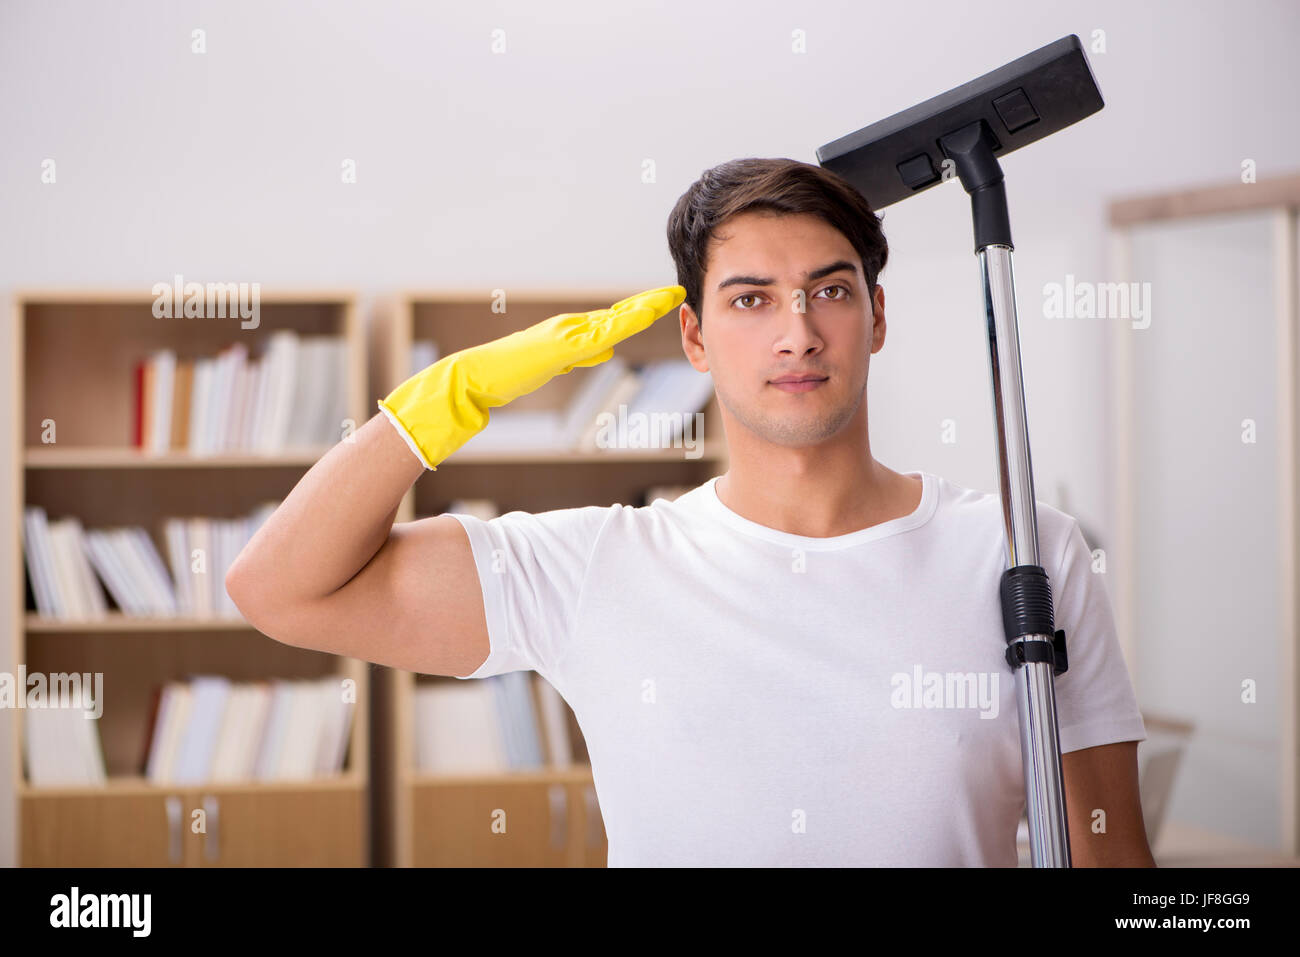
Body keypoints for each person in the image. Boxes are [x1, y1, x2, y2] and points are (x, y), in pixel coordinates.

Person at [226, 157, 1153, 867]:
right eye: (751, 299)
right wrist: (440, 404)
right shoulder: (598, 564)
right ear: (695, 337)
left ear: (875, 315)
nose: (797, 331)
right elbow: (278, 589)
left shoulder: (1019, 550)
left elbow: (1112, 855)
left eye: (828, 290)